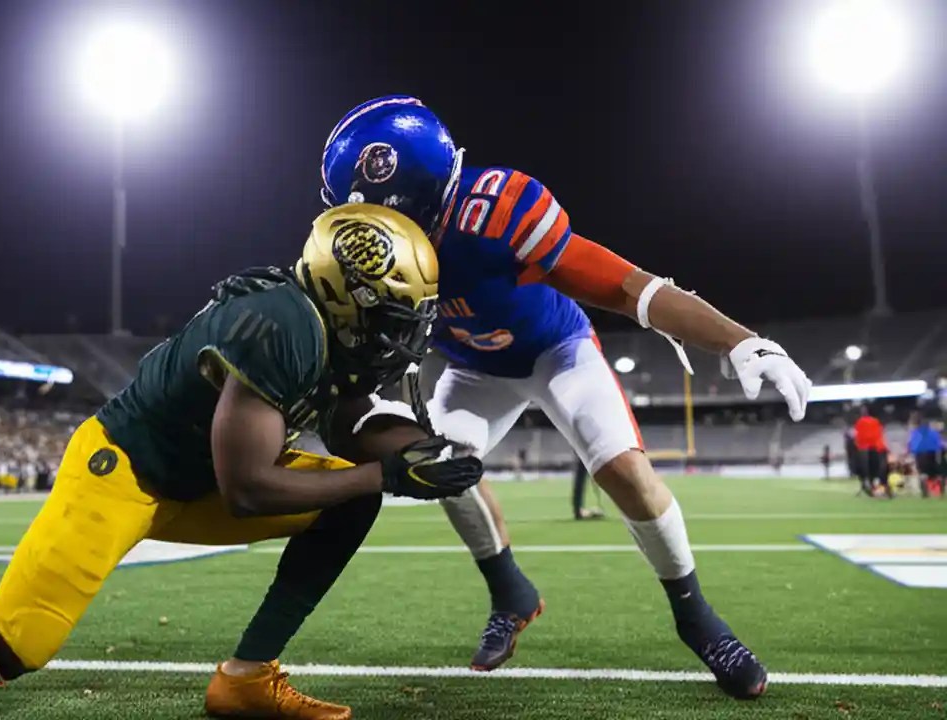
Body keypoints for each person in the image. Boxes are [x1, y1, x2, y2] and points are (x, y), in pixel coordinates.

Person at [0, 204, 483, 720]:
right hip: (126, 472)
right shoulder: (278, 325)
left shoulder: (324, 327)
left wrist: (418, 453)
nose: (401, 336)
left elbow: (349, 425)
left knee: (351, 498)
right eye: (392, 316)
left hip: (196, 479)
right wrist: (386, 473)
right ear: (343, 295)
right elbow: (249, 488)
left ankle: (247, 679)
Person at [318, 95, 815, 699]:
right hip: (476, 369)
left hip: (558, 349)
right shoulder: (364, 255)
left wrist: (738, 340)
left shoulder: (496, 210)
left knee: (625, 472)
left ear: (423, 203)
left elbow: (627, 287)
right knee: (438, 465)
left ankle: (695, 616)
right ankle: (511, 592)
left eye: (378, 218)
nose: (367, 237)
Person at [907, 412, 943, 498]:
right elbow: (939, 444)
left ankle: (925, 491)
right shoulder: (933, 432)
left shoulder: (915, 433)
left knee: (923, 473)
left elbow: (911, 445)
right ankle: (940, 489)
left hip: (920, 454)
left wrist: (910, 452)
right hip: (932, 453)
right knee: (935, 472)